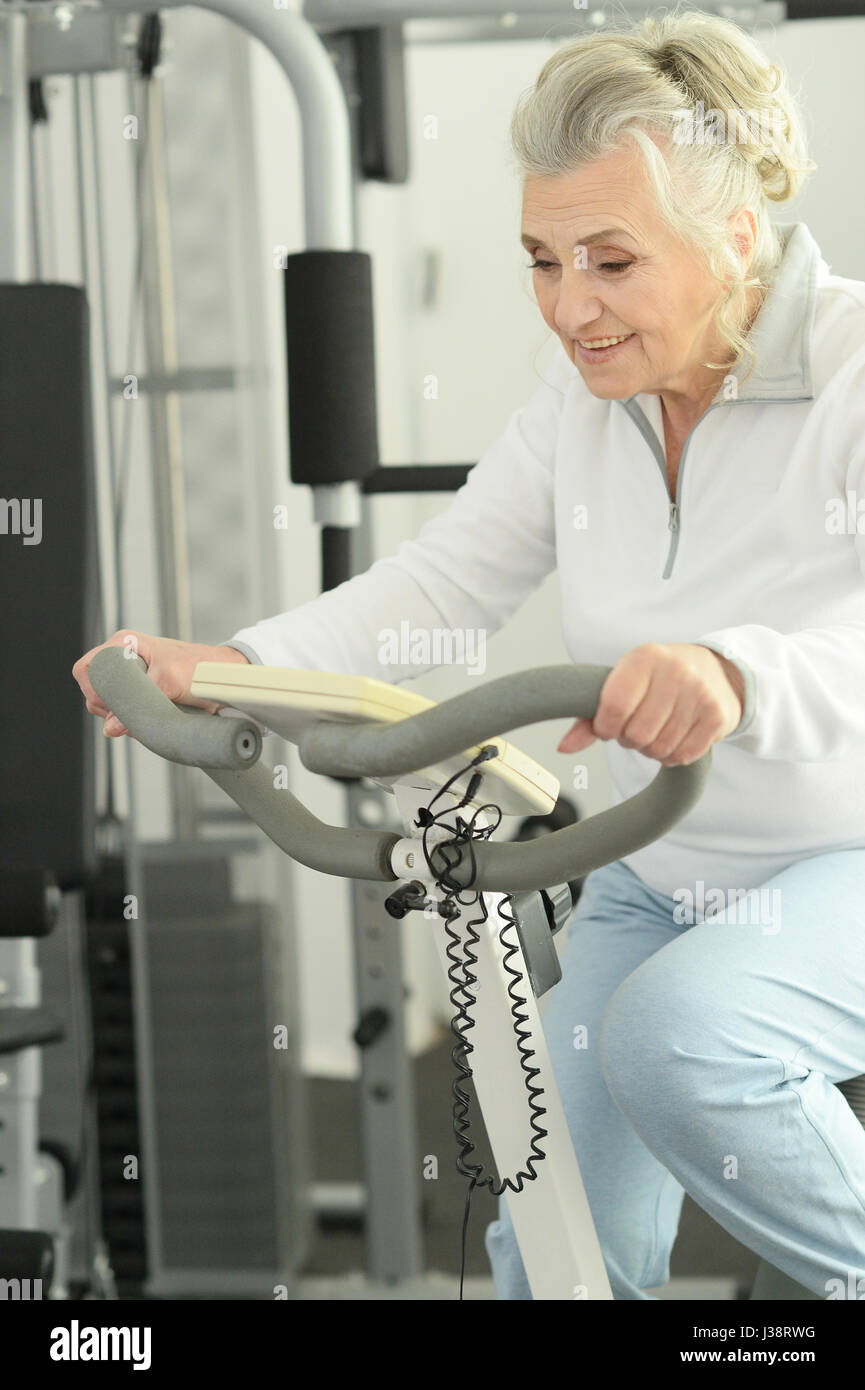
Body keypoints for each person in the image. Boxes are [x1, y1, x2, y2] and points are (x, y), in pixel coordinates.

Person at [74, 10, 865, 1299]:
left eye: (611, 261)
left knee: (681, 1040)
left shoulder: (852, 364)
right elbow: (446, 582)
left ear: (735, 234)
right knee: (546, 1231)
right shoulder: (584, 403)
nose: (569, 308)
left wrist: (736, 671)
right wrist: (231, 667)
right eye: (542, 261)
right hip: (648, 872)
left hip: (848, 859)